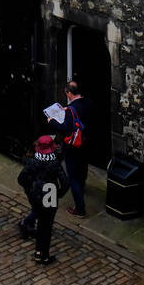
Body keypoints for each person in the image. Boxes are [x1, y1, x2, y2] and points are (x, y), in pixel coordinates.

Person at [17, 134, 69, 265]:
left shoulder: (32, 162)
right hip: (50, 196)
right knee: (47, 226)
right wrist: (59, 194)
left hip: (35, 196)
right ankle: (44, 255)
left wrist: (30, 189)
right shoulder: (55, 163)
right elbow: (65, 183)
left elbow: (21, 179)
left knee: (40, 223)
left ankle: (38, 252)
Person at [56, 79, 92, 219]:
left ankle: (80, 209)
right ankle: (82, 187)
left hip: (73, 147)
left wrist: (52, 121)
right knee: (83, 168)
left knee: (73, 177)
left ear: (69, 93)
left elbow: (64, 128)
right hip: (86, 143)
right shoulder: (88, 102)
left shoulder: (72, 110)